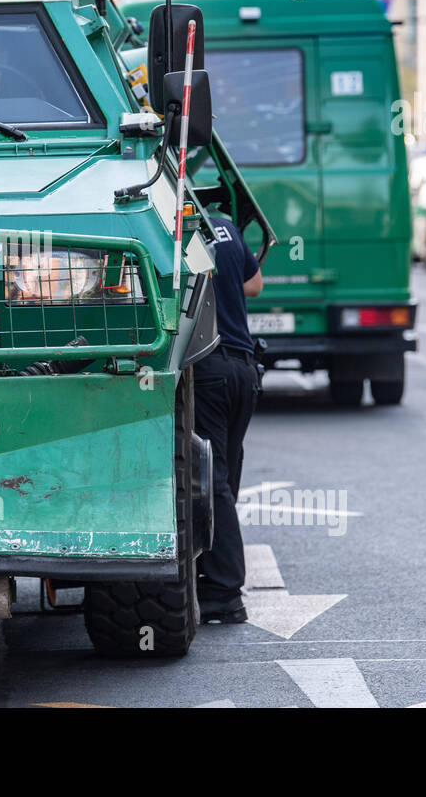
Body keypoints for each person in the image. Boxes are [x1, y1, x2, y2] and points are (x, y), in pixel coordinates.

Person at [193, 215, 263, 625]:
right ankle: (214, 575)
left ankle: (223, 592)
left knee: (210, 480)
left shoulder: (171, 225)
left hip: (208, 367)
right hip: (244, 370)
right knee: (224, 479)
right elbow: (255, 285)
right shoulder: (225, 226)